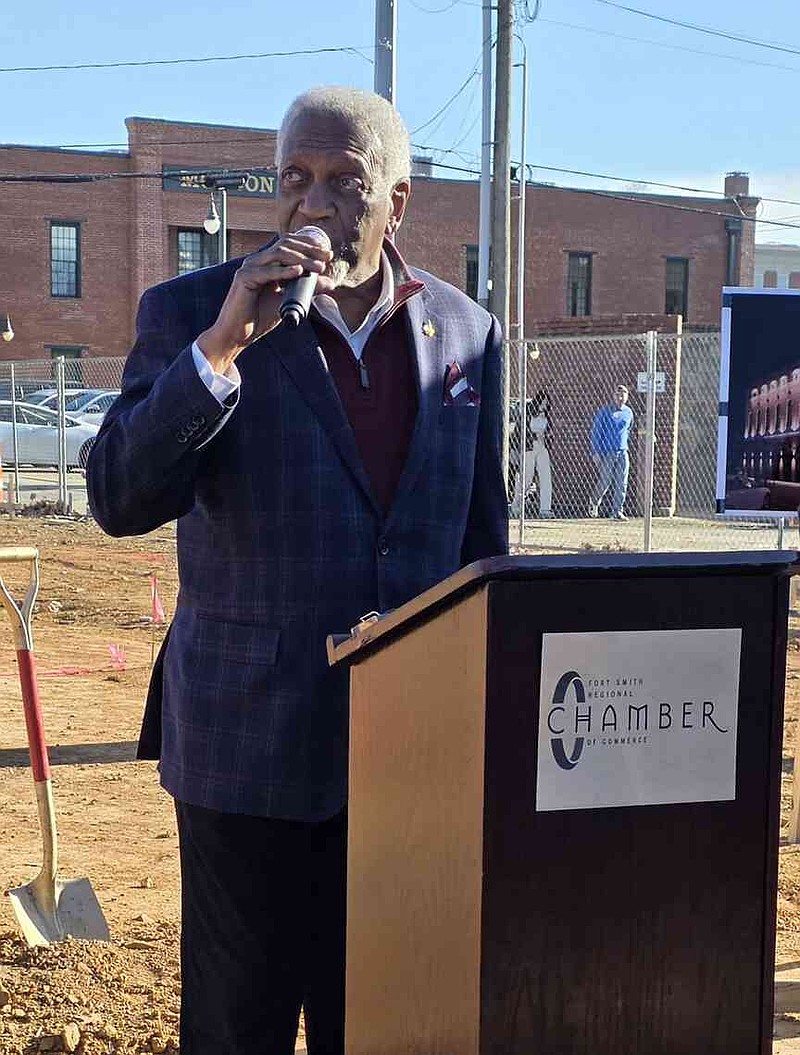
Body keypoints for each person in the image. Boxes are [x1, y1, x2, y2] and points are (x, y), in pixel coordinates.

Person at [86, 86, 508, 1055]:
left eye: (343, 181)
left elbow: (482, 551)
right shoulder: (195, 312)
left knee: (386, 1028)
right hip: (247, 757)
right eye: (294, 178)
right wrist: (226, 344)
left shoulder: (466, 334)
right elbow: (116, 495)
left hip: (407, 771)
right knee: (237, 1032)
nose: (312, 204)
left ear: (394, 203)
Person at [589, 383, 633, 520]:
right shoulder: (605, 412)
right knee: (606, 481)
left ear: (627, 396)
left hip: (623, 452)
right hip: (607, 453)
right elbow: (596, 432)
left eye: (623, 394)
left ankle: (617, 512)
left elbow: (629, 430)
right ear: (613, 396)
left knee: (622, 482)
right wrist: (596, 452)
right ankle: (594, 502)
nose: (620, 397)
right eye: (618, 394)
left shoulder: (628, 412)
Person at [510, 389, 553, 518]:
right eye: (542, 403)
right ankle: (515, 506)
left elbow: (551, 433)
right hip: (529, 448)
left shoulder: (546, 417)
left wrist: (546, 437)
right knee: (526, 479)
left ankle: (545, 509)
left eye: (546, 404)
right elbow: (518, 432)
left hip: (542, 448)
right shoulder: (527, 414)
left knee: (546, 478)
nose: (544, 406)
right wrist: (534, 436)